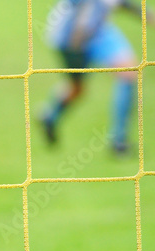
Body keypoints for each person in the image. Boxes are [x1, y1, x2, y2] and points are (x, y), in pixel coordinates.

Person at [39, 0, 153, 154]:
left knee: (129, 73)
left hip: (98, 31)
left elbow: (123, 4)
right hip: (70, 40)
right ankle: (50, 117)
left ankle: (119, 141)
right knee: (77, 90)